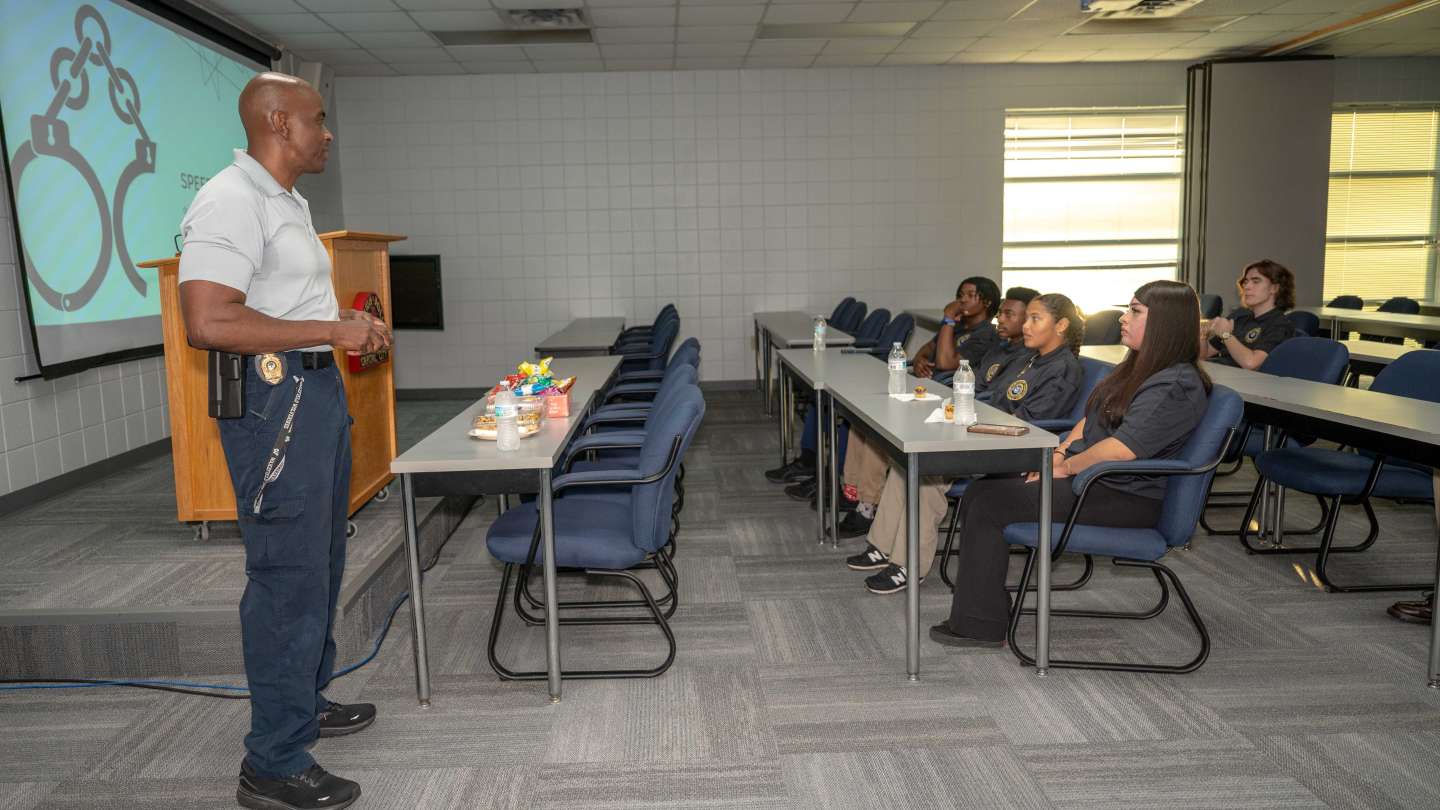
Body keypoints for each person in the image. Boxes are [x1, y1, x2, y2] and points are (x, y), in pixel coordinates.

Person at [178, 72, 391, 810]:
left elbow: (281, 304)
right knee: (286, 577)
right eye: (316, 119)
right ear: (278, 122)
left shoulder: (285, 201)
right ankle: (272, 761)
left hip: (312, 391)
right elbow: (207, 320)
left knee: (321, 562)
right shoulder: (229, 200)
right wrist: (330, 328)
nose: (327, 133)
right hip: (276, 402)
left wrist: (342, 326)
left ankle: (304, 702)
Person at [931, 280, 1212, 649]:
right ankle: (984, 610)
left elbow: (1122, 449)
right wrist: (1061, 453)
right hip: (1097, 481)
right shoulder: (1138, 367)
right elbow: (1090, 418)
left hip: (1126, 495)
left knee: (989, 501)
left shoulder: (1176, 383)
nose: (1123, 318)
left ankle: (980, 624)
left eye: (1135, 311)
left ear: (1166, 322)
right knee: (987, 491)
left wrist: (1063, 468)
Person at [847, 294, 1087, 594]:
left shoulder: (1063, 369)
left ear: (1061, 325)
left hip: (1015, 451)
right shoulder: (1029, 358)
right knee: (905, 461)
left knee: (928, 472)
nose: (1026, 326)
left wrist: (971, 426)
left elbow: (1032, 425)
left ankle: (909, 564)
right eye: (1026, 318)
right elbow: (993, 397)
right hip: (988, 435)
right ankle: (882, 546)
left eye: (1035, 319)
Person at [831, 287, 1038, 536]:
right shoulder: (1001, 347)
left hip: (976, 428)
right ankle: (856, 494)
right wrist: (920, 358)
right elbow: (957, 369)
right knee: (870, 423)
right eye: (1001, 313)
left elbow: (956, 371)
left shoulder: (1006, 348)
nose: (1000, 320)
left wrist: (948, 322)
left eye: (1008, 314)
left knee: (886, 436)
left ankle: (867, 505)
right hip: (958, 409)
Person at [1203, 259, 1297, 370]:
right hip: (1218, 372)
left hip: (1242, 379)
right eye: (1246, 282)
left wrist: (1226, 335)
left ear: (1274, 288)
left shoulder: (1280, 325)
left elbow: (1251, 363)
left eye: (1256, 281)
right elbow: (1203, 354)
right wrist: (1202, 334)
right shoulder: (1239, 316)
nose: (1247, 287)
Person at [913, 277, 1002, 379]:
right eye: (960, 295)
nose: (962, 300)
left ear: (987, 302)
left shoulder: (986, 335)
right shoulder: (957, 326)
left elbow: (945, 363)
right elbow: (928, 348)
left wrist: (949, 316)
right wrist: (918, 361)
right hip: (929, 380)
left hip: (950, 385)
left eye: (970, 295)